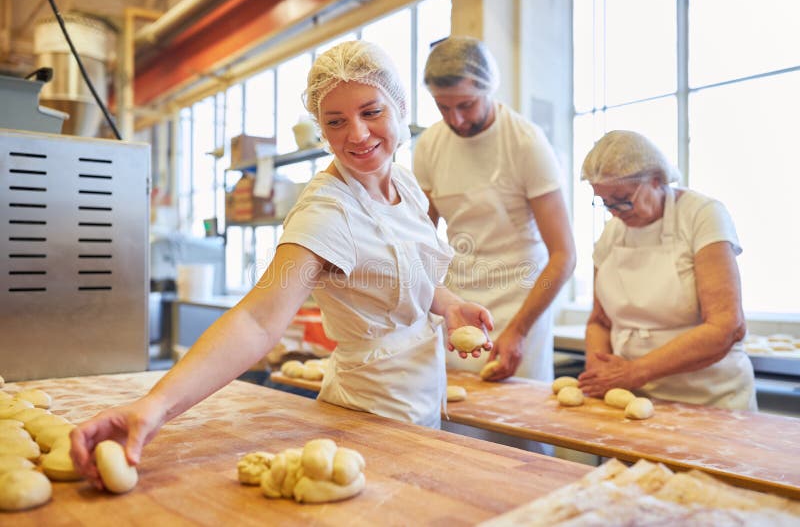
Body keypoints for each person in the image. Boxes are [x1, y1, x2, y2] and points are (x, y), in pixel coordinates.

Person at [70, 41, 494, 488]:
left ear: (399, 107)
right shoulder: (327, 213)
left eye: (371, 112)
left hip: (422, 410)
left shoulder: (404, 185)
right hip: (367, 423)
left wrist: (447, 306)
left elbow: (407, 275)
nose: (357, 134)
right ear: (321, 130)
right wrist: (154, 406)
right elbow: (256, 320)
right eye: (336, 121)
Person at [414, 36, 576, 382]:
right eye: (443, 107)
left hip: (520, 305)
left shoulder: (525, 143)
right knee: (457, 422)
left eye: (466, 105)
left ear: (489, 89)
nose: (455, 119)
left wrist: (519, 330)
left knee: (517, 424)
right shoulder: (429, 145)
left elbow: (564, 255)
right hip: (459, 305)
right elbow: (420, 240)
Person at [578, 130, 756, 410]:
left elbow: (726, 326)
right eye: (604, 202)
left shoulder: (702, 215)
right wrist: (599, 369)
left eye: (623, 199)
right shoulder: (611, 234)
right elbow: (600, 321)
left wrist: (633, 372)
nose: (614, 212)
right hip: (632, 399)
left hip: (711, 399)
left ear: (657, 180)